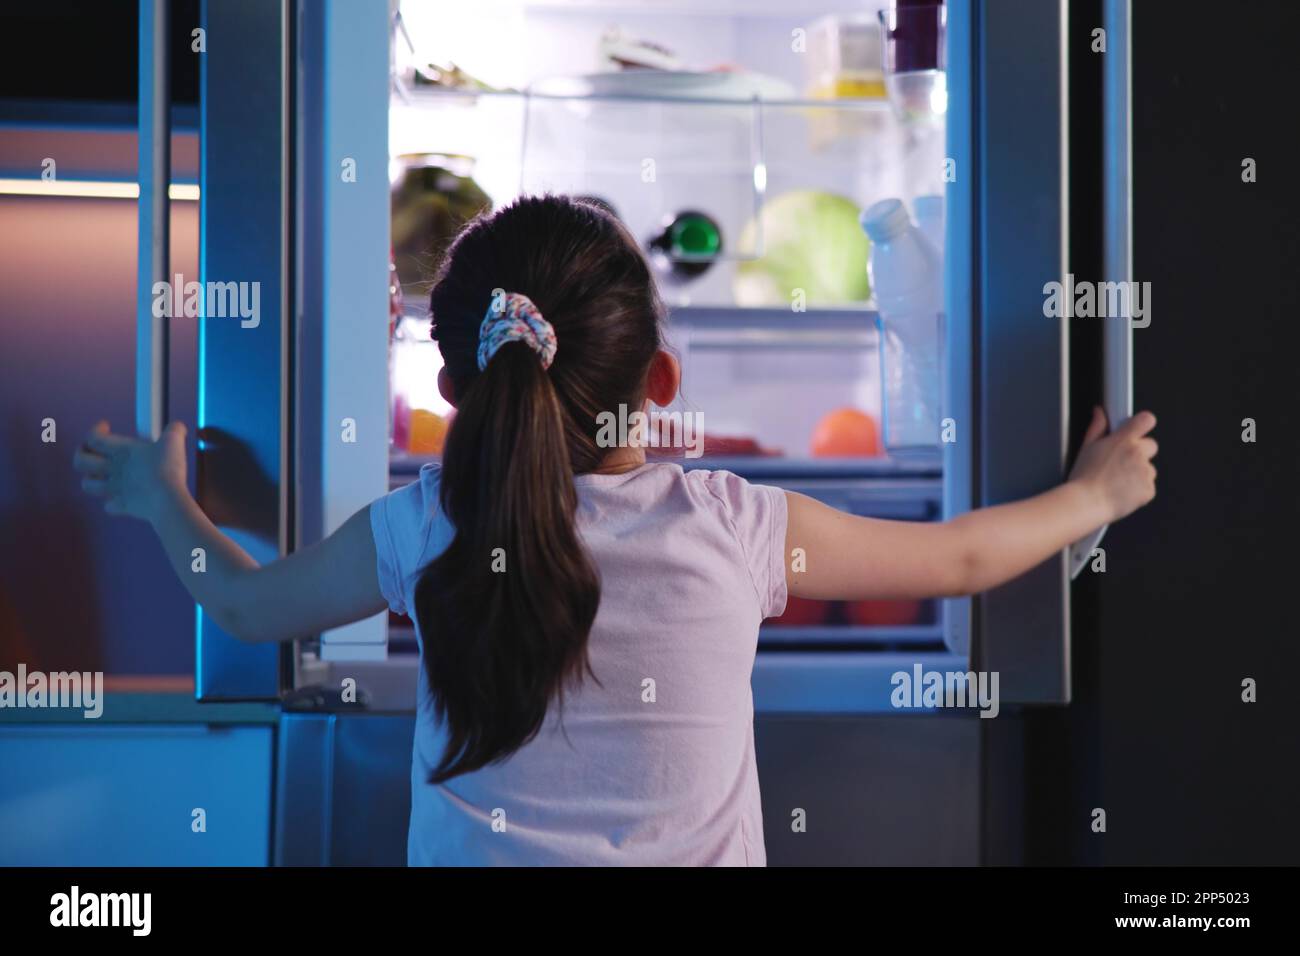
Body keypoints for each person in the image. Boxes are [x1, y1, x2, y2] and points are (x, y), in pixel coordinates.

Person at [74, 195, 1157, 865]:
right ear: (662, 381)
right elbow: (962, 556)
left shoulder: (425, 527)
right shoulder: (727, 523)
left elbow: (248, 604)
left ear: (453, 387)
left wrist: (162, 496)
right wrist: (1095, 496)